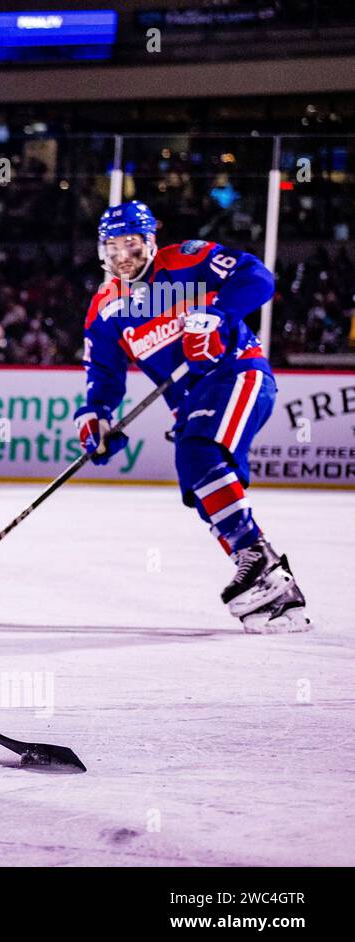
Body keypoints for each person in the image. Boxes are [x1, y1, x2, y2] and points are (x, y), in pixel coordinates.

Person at [75, 201, 310, 634]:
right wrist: (95, 415)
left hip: (237, 373)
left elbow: (257, 277)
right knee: (196, 476)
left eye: (132, 245)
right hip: (192, 402)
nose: (123, 256)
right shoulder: (106, 309)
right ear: (101, 252)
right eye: (113, 248)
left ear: (151, 242)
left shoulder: (185, 261)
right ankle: (271, 580)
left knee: (199, 451)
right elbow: (103, 376)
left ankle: (258, 561)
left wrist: (216, 316)